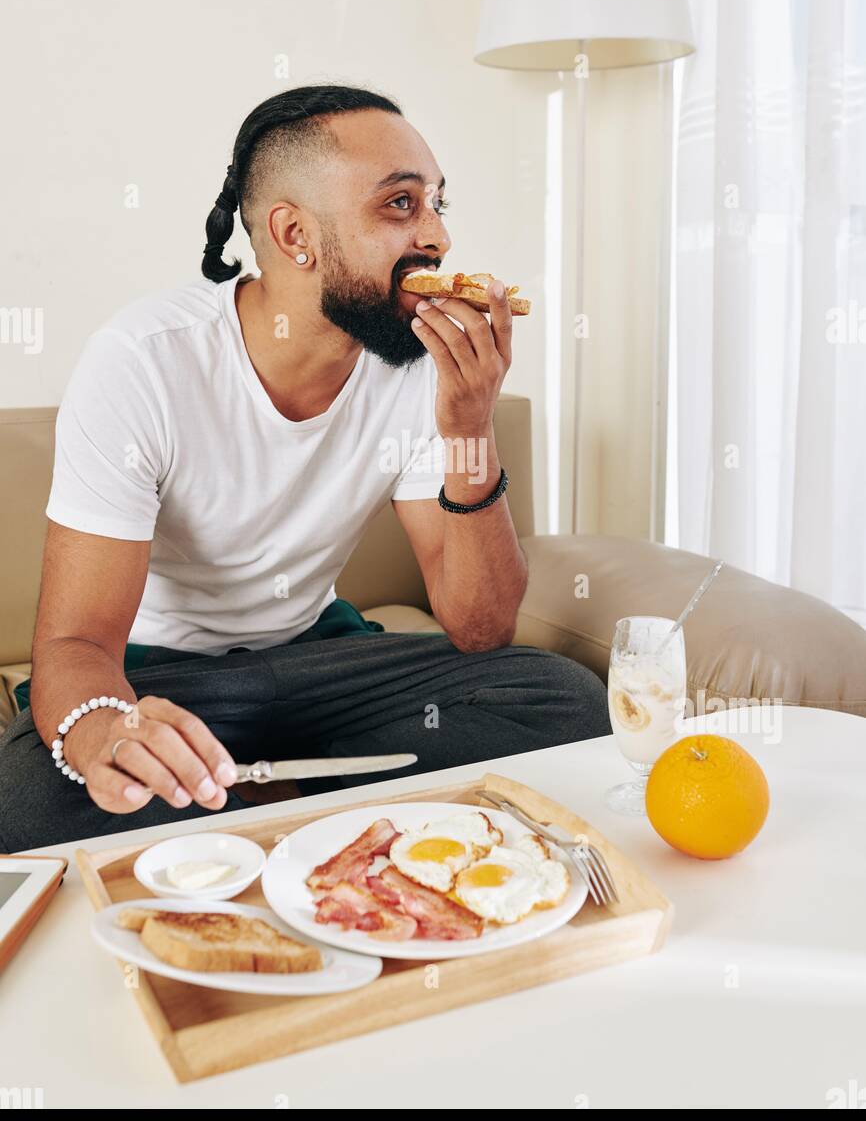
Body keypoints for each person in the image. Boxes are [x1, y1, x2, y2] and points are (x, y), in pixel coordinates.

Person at [0, 84, 608, 853]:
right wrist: (105, 732)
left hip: (323, 664)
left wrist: (469, 429)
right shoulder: (144, 363)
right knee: (27, 803)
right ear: (295, 235)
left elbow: (481, 626)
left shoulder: (418, 367)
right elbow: (76, 645)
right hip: (166, 679)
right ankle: (318, 807)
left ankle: (255, 812)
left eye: (437, 204)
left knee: (561, 699)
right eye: (400, 205)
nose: (438, 238)